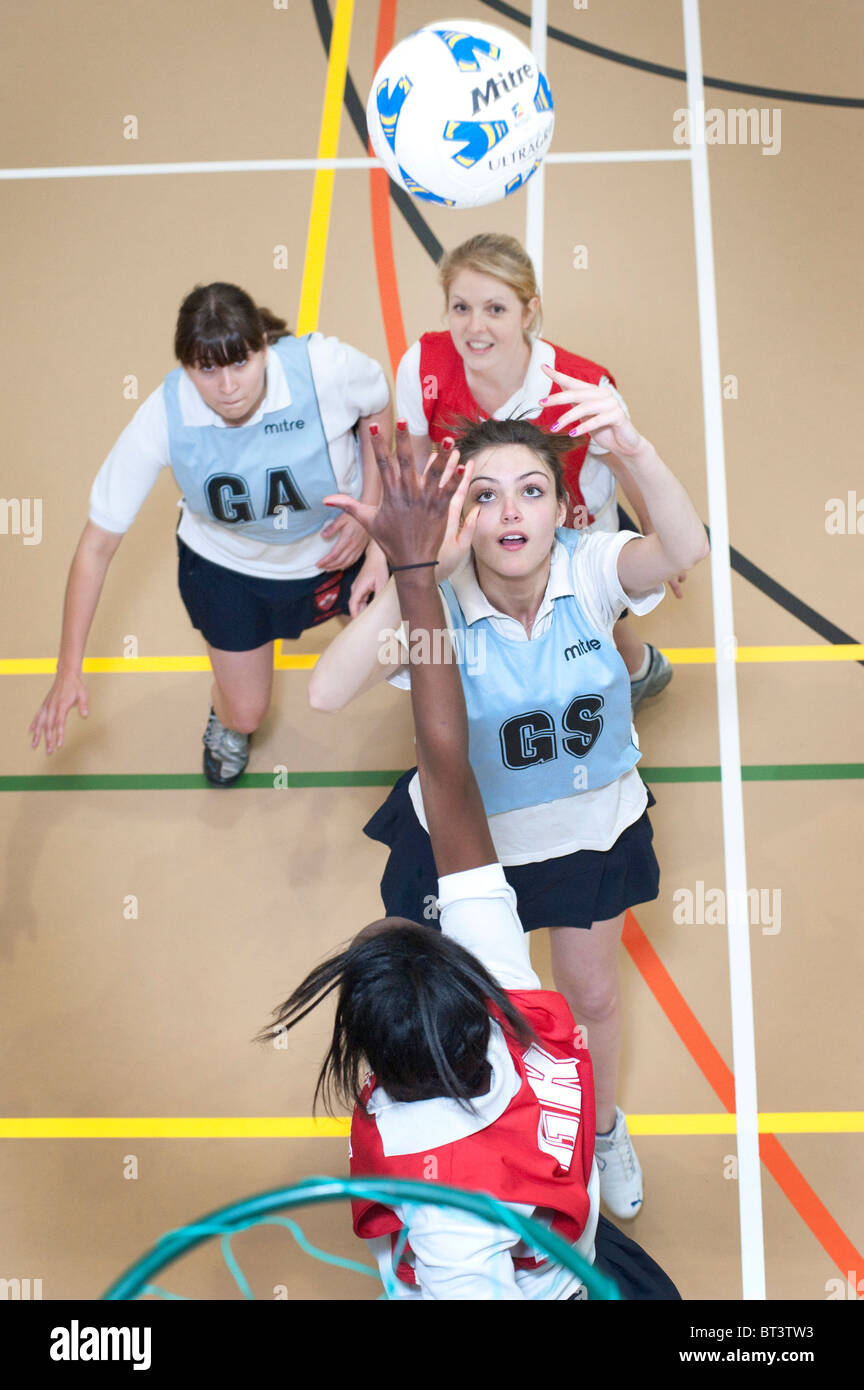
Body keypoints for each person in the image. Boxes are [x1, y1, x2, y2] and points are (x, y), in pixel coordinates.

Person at [262, 432, 680, 1299]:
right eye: (483, 494)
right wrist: (421, 572)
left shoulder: (587, 570)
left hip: (573, 834)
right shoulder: (440, 605)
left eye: (530, 489)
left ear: (564, 509)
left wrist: (631, 450)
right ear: (460, 516)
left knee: (595, 995)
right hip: (479, 850)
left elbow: (685, 553)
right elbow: (331, 691)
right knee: (469, 1016)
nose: (509, 509)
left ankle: (602, 1134)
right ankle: (580, 1139)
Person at [28, 283, 392, 785]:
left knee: (405, 653)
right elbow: (97, 544)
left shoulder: (323, 368)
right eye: (207, 369)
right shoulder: (166, 413)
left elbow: (377, 411)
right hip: (231, 572)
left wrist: (369, 514)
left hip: (338, 550)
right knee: (247, 714)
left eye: (240, 362)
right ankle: (227, 718)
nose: (227, 387)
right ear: (185, 366)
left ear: (264, 346)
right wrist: (69, 669)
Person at [350, 232, 678, 712]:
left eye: (495, 309)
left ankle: (637, 670)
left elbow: (628, 465)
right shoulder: (424, 364)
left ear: (528, 312)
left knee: (589, 631)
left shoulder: (580, 384)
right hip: (482, 530)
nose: (475, 327)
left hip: (573, 534)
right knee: (490, 631)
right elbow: (414, 462)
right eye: (461, 307)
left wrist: (656, 533)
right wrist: (384, 555)